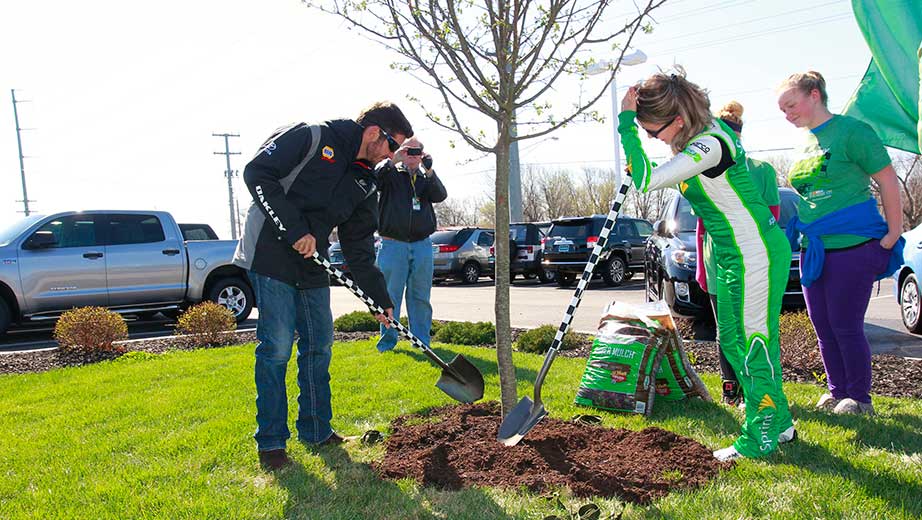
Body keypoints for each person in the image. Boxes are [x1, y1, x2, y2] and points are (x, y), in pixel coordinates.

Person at [618, 68, 794, 462]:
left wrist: (626, 124)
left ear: (677, 120)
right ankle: (779, 422)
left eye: (652, 130)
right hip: (734, 253)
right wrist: (639, 135)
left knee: (752, 341)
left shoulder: (709, 145)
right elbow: (650, 171)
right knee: (733, 340)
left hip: (756, 252)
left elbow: (646, 180)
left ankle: (759, 436)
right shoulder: (694, 142)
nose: (652, 138)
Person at [233, 102, 413, 470]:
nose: (393, 156)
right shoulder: (313, 136)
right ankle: (270, 443)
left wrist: (380, 299)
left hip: (313, 262)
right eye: (392, 146)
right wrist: (295, 230)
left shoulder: (367, 180)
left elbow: (359, 247)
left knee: (320, 346)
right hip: (271, 252)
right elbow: (257, 173)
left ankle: (316, 430)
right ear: (373, 133)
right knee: (277, 348)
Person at [778, 71, 904, 416]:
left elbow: (888, 180)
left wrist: (892, 235)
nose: (787, 114)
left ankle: (860, 398)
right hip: (814, 248)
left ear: (814, 94)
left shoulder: (853, 132)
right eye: (782, 110)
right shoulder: (805, 142)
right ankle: (837, 391)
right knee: (823, 325)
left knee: (846, 325)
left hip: (854, 245)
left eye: (791, 105)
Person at [695, 101, 781, 408]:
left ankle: (759, 392)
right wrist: (702, 270)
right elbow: (702, 224)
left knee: (753, 327)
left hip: (752, 262)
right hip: (716, 262)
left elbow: (772, 220)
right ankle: (731, 390)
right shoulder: (702, 172)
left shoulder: (761, 171)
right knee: (727, 331)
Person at [374, 137, 448, 353]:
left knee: (420, 297)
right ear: (402, 152)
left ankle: (422, 343)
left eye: (418, 151)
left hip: (422, 245)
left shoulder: (425, 179)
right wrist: (394, 157)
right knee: (390, 296)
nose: (414, 155)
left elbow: (440, 195)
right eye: (410, 151)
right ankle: (387, 343)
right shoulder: (390, 174)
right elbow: (374, 179)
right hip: (393, 245)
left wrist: (430, 170)